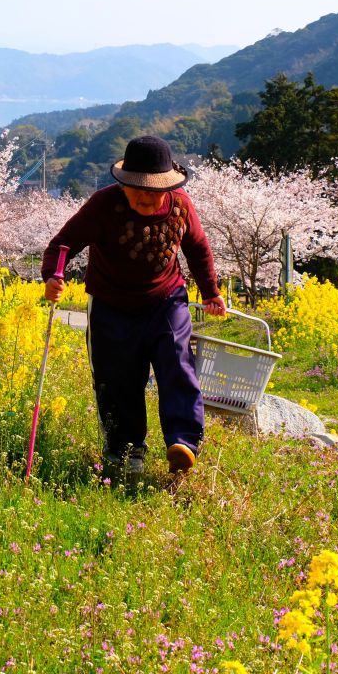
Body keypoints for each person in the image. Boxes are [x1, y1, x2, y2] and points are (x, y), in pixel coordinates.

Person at [41, 135, 226, 476]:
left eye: (155, 190)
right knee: (117, 378)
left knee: (177, 363)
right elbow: (62, 244)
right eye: (138, 188)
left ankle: (183, 441)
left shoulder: (180, 204)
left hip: (166, 299)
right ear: (123, 184)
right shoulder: (104, 205)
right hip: (111, 304)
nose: (146, 196)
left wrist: (210, 291)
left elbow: (198, 248)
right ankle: (126, 449)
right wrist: (54, 275)